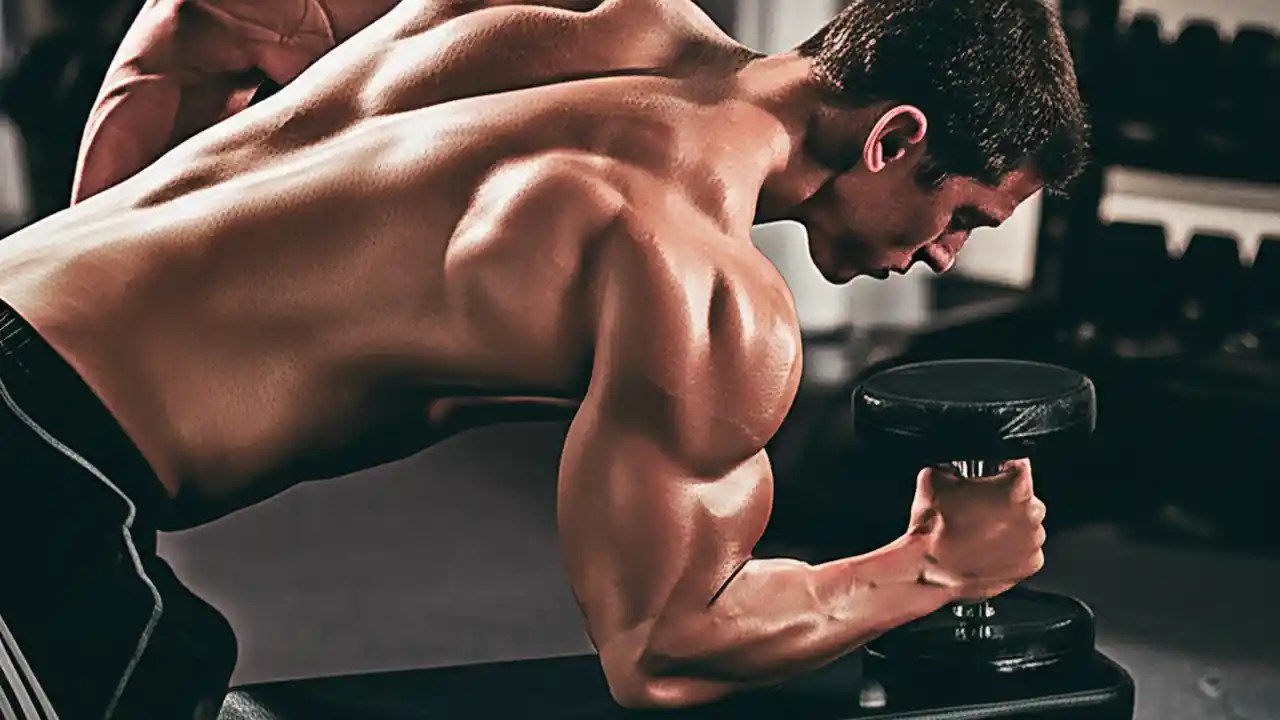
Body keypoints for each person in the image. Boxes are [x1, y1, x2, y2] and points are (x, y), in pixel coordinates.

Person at [0, 0, 1088, 716]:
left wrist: (119, 251)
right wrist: (935, 564)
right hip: (41, 472)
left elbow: (202, 21)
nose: (945, 257)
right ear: (891, 138)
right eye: (964, 217)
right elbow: (664, 645)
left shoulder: (595, 14)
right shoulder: (694, 277)